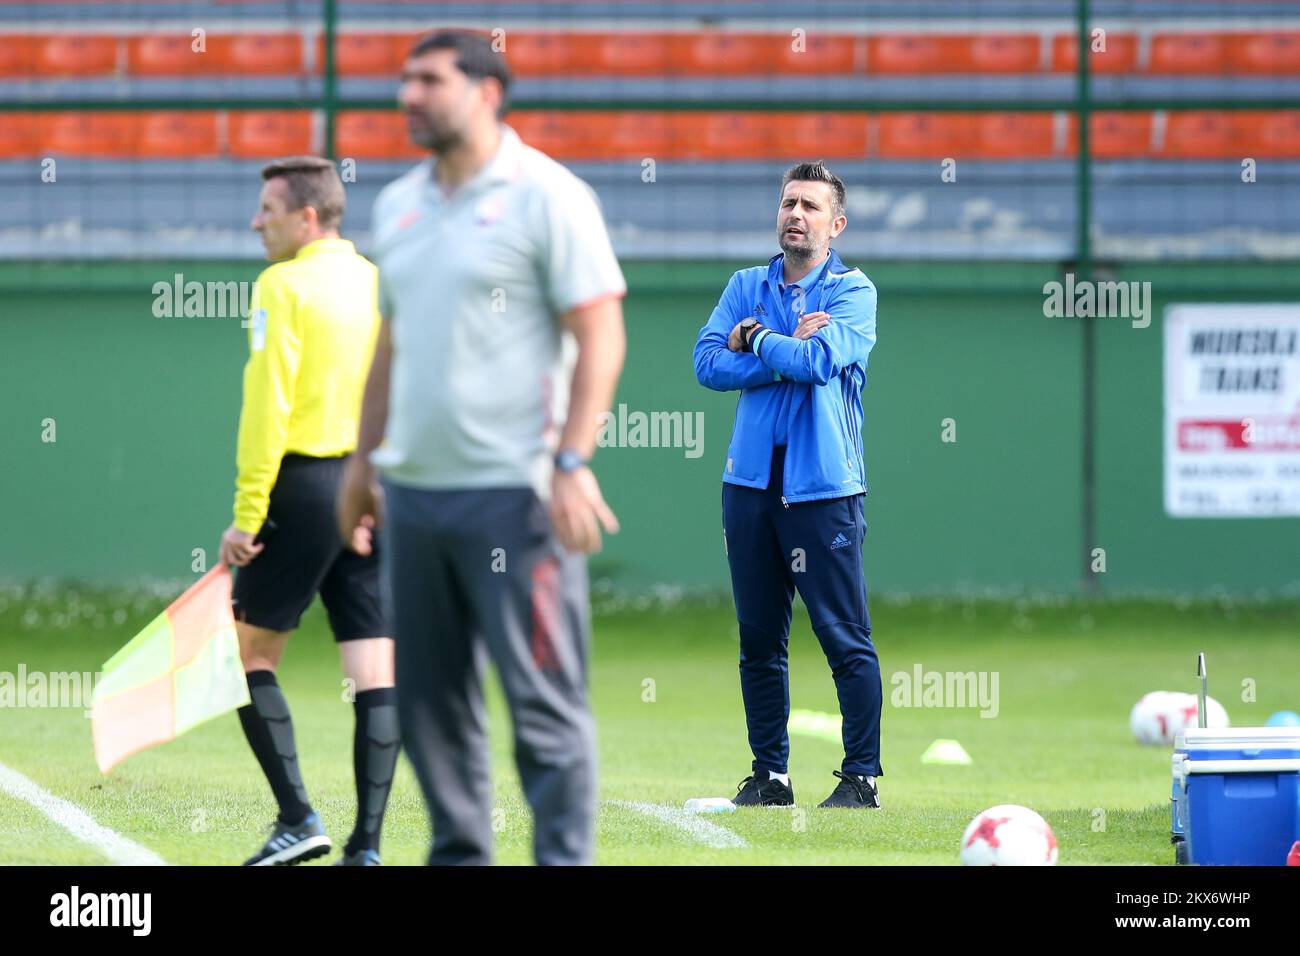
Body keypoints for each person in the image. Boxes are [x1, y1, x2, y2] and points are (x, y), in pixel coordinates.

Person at [337, 30, 627, 865]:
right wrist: (362, 464)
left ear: (488, 90)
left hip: (518, 497)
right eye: (402, 81)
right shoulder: (396, 205)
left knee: (542, 706)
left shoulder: (549, 196)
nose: (408, 96)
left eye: (429, 80)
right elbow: (390, 345)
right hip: (414, 502)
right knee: (430, 706)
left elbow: (601, 333)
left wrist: (571, 462)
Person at [221, 156, 399, 866]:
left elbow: (270, 409)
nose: (255, 221)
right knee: (374, 669)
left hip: (304, 489)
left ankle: (297, 817)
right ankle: (368, 846)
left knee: (241, 659)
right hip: (374, 488)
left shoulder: (279, 286)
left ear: (308, 216)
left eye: (267, 208)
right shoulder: (379, 282)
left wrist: (245, 513)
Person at [692, 160, 883, 809]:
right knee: (758, 639)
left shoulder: (855, 293)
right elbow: (708, 364)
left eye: (809, 206)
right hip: (749, 488)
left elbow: (821, 359)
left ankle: (862, 778)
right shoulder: (747, 282)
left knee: (843, 635)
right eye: (788, 203)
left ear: (836, 225)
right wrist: (778, 352)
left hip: (823, 490)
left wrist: (757, 340)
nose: (795, 215)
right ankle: (770, 775)